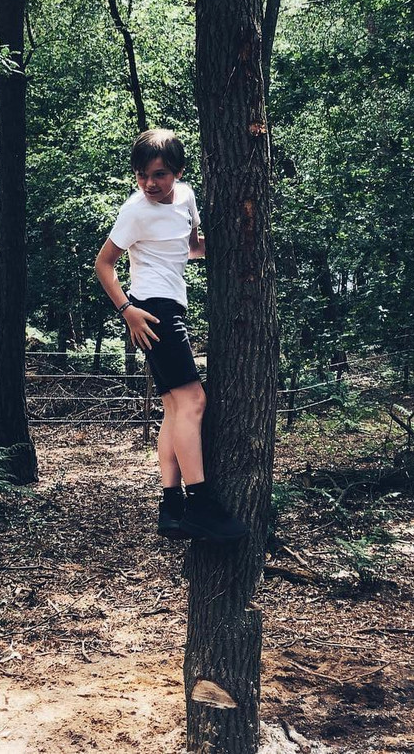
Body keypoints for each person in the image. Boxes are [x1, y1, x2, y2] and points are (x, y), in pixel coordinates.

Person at [94, 129, 249, 544]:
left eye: (159, 174)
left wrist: (234, 243)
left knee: (174, 408)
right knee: (194, 402)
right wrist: (127, 311)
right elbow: (104, 264)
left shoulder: (187, 198)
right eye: (142, 175)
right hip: (153, 312)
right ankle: (200, 505)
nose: (149, 183)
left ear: (178, 172)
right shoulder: (134, 211)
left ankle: (171, 506)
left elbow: (190, 247)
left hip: (169, 307)